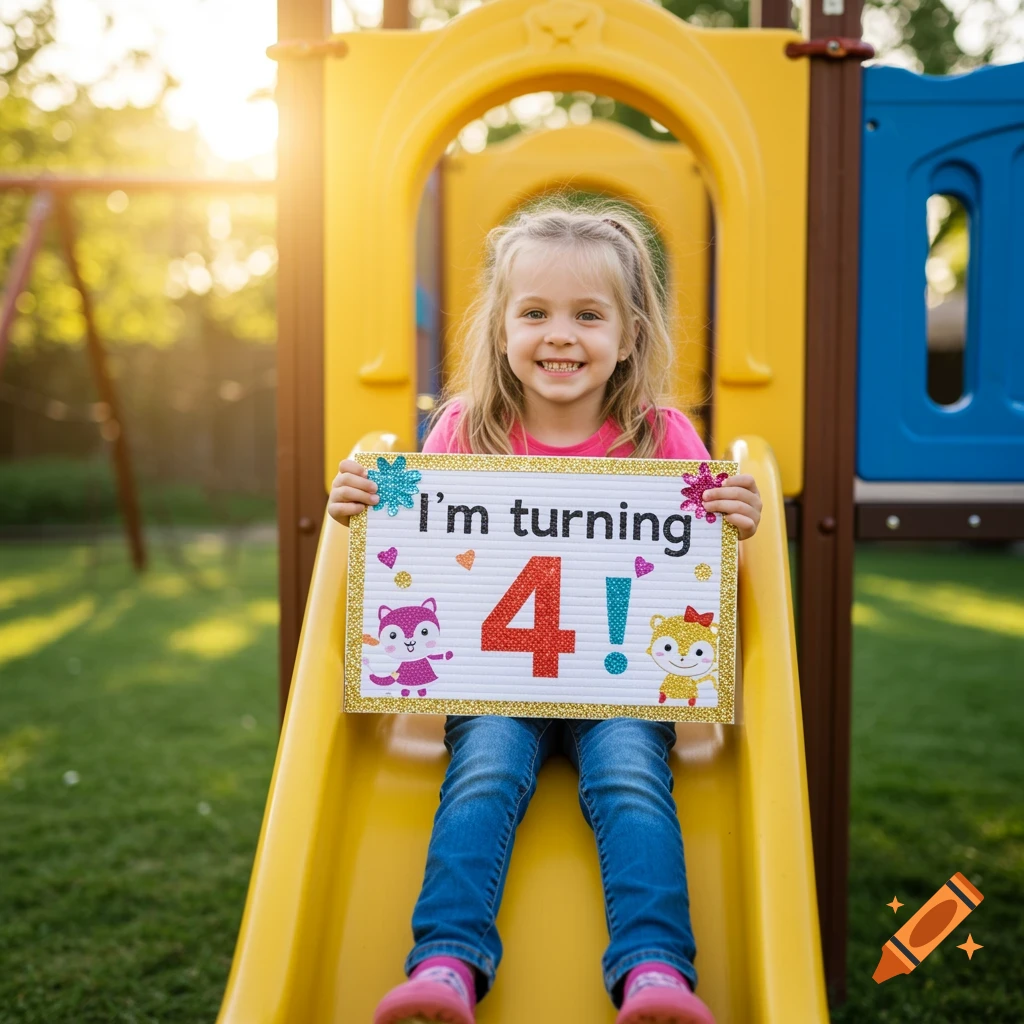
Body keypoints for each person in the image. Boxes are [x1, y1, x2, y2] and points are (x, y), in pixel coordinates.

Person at [328, 205, 762, 1024]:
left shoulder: (662, 435)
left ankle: (656, 973)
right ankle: (446, 964)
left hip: (622, 686)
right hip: (497, 676)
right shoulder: (466, 429)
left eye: (587, 316)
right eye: (534, 313)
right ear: (500, 331)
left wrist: (736, 519)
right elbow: (414, 530)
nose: (559, 336)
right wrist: (360, 501)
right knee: (484, 767)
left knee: (631, 778)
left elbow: (699, 572)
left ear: (629, 336)